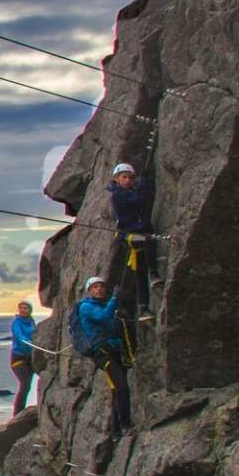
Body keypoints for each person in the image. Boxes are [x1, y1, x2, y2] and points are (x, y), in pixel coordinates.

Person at [68, 276, 134, 441]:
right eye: (95, 287)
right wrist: (114, 299)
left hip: (114, 350)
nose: (99, 289)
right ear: (89, 291)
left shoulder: (104, 306)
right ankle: (125, 425)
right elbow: (103, 318)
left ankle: (115, 431)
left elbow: (111, 326)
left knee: (116, 390)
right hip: (102, 353)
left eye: (101, 287)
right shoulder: (87, 307)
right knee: (122, 387)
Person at [107, 162, 156, 323]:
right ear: (117, 179)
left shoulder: (129, 192)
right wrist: (143, 184)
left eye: (130, 177)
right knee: (146, 242)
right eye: (124, 177)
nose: (127, 180)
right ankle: (154, 275)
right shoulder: (118, 194)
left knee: (140, 269)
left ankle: (143, 307)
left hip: (137, 232)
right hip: (127, 235)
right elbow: (136, 200)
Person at [9, 301, 37, 416]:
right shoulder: (16, 322)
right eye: (21, 308)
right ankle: (17, 413)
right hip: (18, 358)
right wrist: (27, 342)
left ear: (30, 310)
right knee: (24, 384)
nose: (23, 310)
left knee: (28, 385)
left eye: (25, 308)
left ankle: (23, 410)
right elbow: (18, 335)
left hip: (30, 357)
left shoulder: (31, 322)